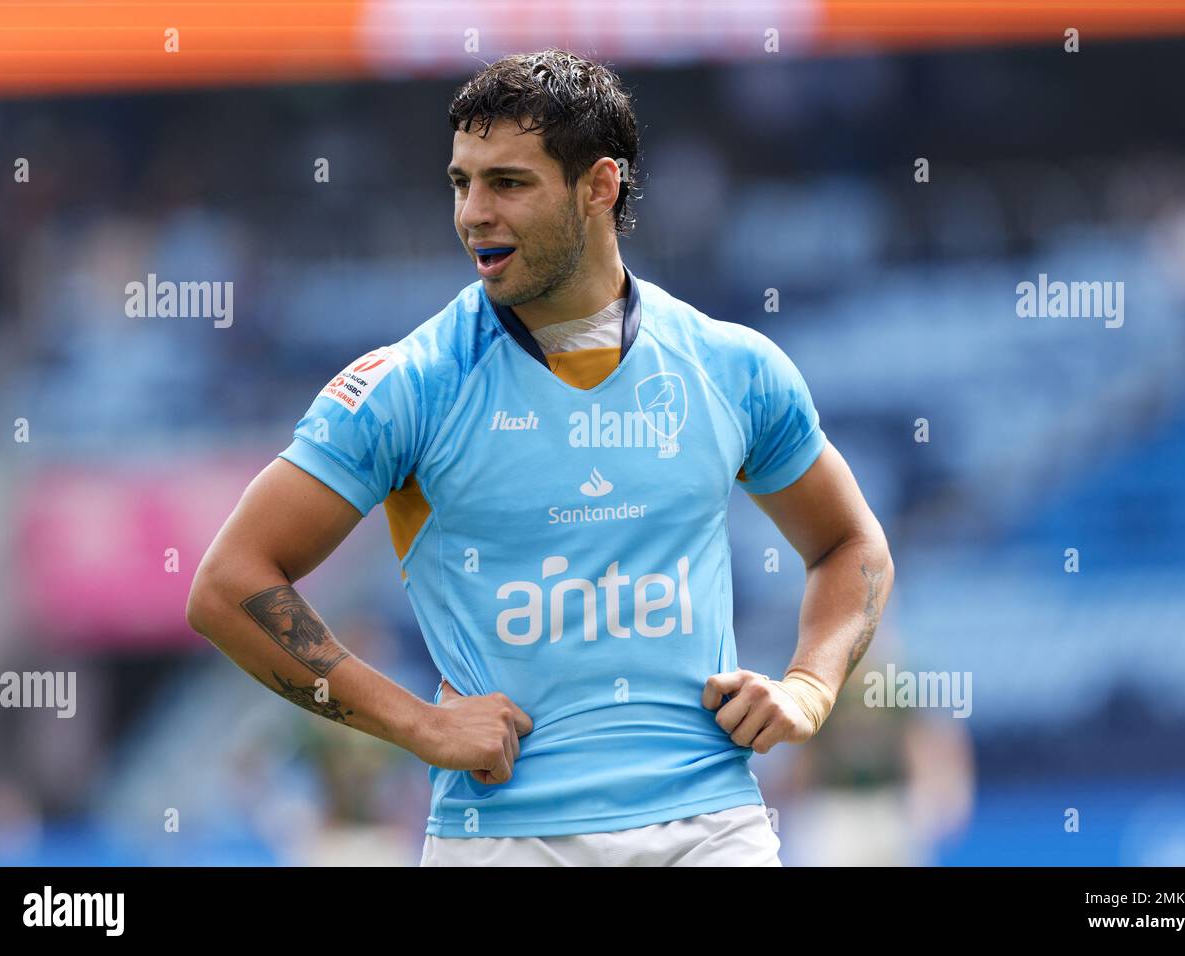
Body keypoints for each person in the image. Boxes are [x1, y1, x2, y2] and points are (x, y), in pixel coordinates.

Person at [186, 49, 894, 867]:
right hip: (506, 839)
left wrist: (809, 687)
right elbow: (229, 585)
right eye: (462, 182)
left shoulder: (733, 367)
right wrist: (418, 723)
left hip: (714, 828)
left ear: (600, 186)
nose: (473, 214)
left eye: (508, 183)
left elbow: (849, 545)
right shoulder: (409, 384)